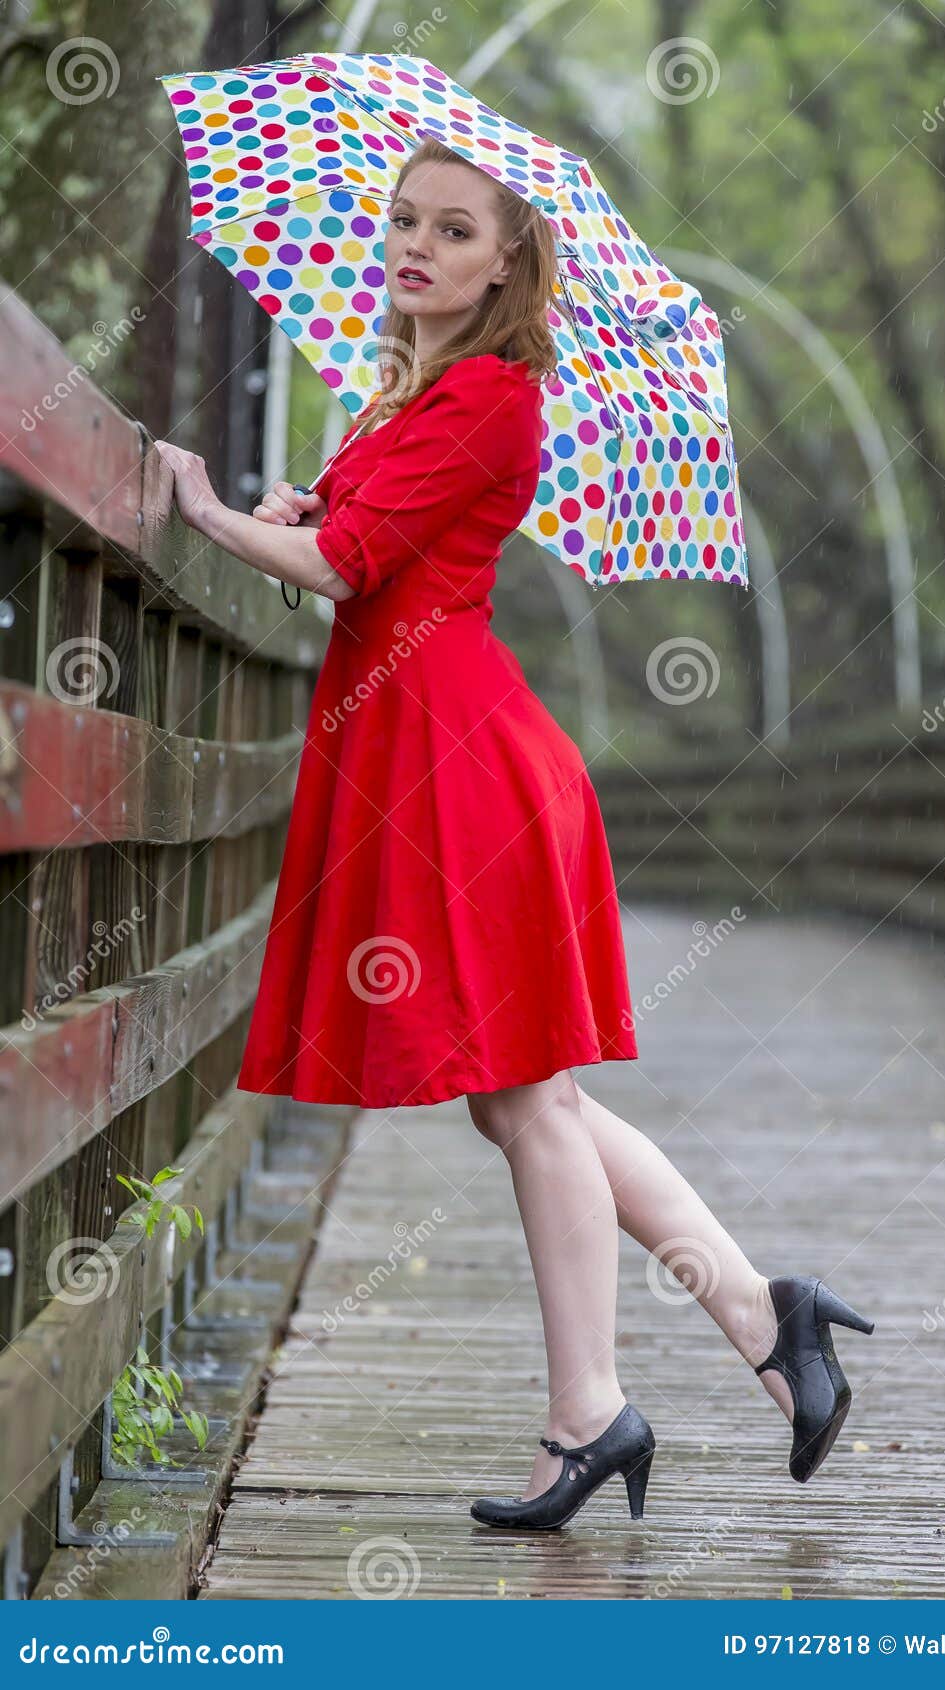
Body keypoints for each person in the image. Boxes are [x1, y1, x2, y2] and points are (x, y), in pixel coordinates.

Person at [156, 139, 873, 1533]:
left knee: (529, 1095)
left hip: (463, 765)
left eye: (454, 231)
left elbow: (344, 569)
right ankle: (760, 1314)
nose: (416, 246)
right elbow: (363, 541)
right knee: (518, 1095)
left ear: (509, 262)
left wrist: (215, 514)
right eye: (405, 222)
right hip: (421, 746)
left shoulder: (487, 398)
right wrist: (311, 501)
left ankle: (591, 1408)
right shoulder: (414, 392)